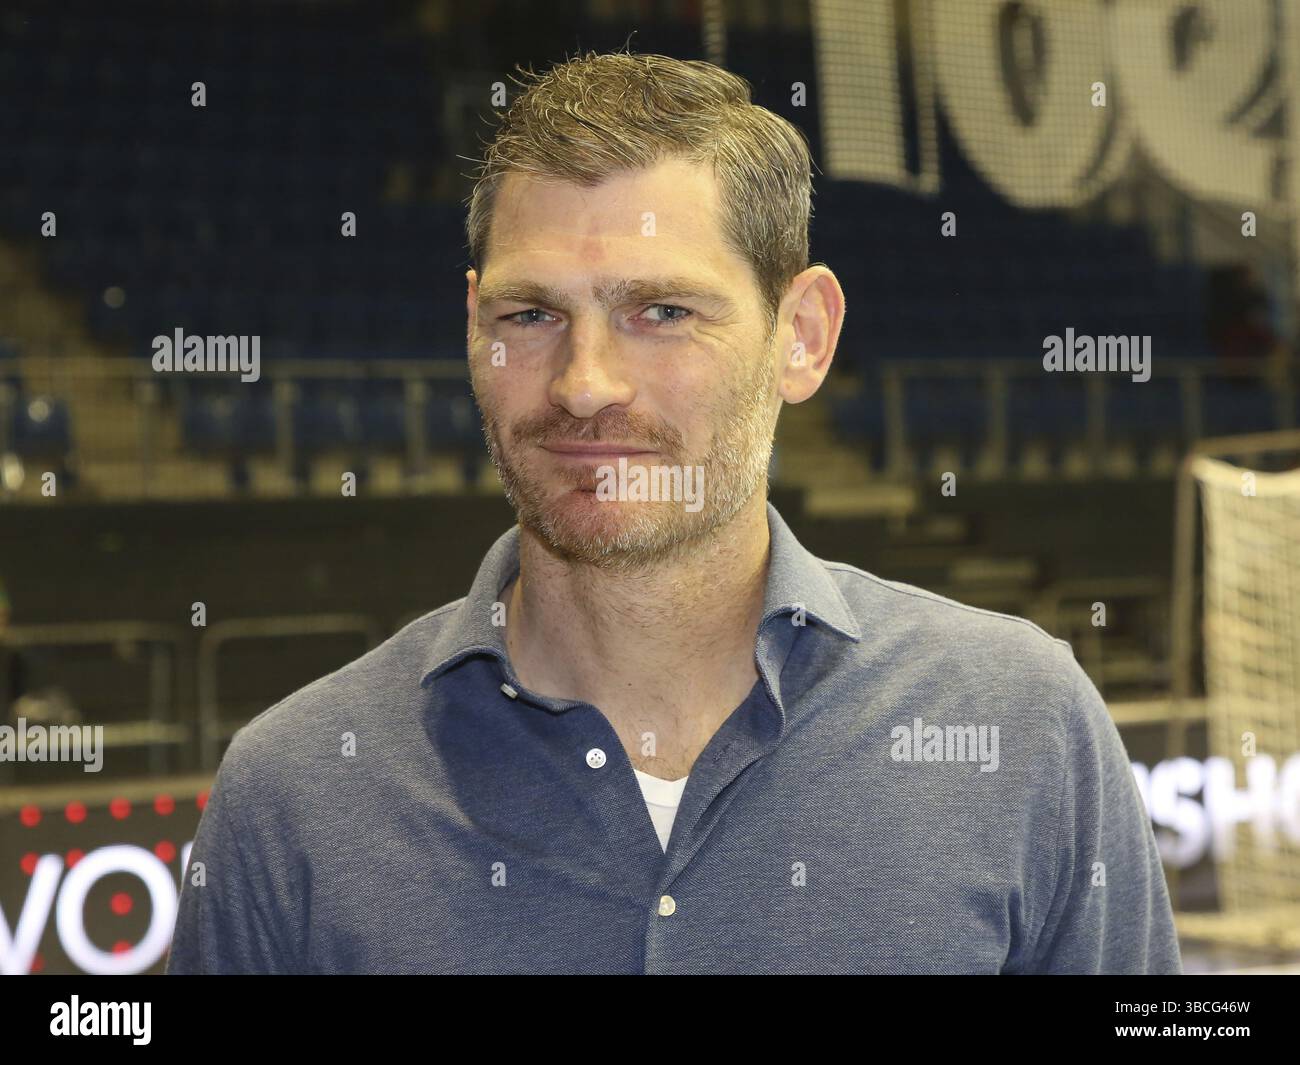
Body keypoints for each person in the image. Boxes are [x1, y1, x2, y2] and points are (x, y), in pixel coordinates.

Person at [166, 50, 1181, 975]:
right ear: (474, 331)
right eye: (532, 315)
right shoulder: (293, 797)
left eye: (661, 313)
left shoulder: (1022, 729)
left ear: (802, 336)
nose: (585, 384)